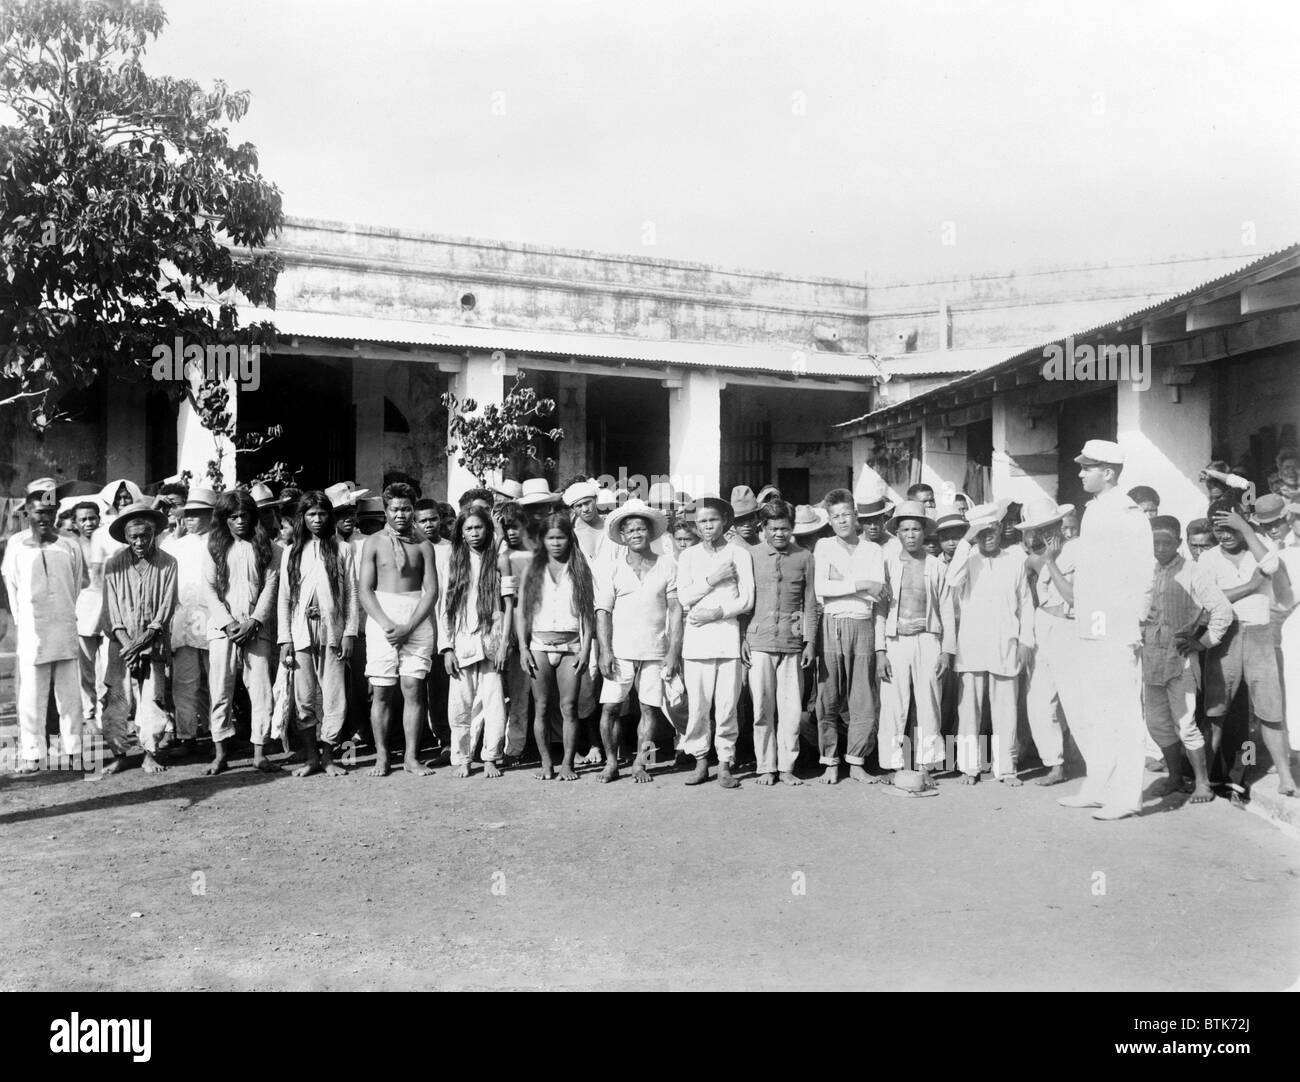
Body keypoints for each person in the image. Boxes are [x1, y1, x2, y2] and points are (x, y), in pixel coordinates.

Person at [1058, 440, 1155, 821]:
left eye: (1088, 467)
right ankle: (1098, 786)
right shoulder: (1095, 510)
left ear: (1109, 472)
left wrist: (1134, 623)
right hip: (1093, 621)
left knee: (1123, 712)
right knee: (1095, 710)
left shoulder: (1127, 512)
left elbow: (1142, 572)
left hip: (1116, 624)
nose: (1081, 473)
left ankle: (1128, 796)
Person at [1199, 499, 1296, 799]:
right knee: (1215, 709)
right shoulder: (1209, 558)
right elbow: (1209, 599)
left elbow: (1271, 565)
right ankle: (1204, 779)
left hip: (1260, 633)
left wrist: (1247, 530)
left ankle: (1286, 778)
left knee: (1268, 710)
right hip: (1225, 636)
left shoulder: (1261, 545)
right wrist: (1253, 587)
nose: (1225, 535)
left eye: (1231, 528)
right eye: (1219, 530)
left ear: (1244, 523)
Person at [1141, 515, 1233, 804]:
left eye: (1166, 542)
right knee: (1157, 723)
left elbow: (1222, 612)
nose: (1160, 547)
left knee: (1185, 723)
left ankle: (1203, 784)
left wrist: (1201, 643)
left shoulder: (1194, 572)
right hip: (1150, 659)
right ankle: (1174, 777)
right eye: (1155, 542)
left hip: (1179, 660)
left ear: (1178, 543)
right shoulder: (1147, 570)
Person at [945, 502, 1035, 786]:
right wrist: (966, 541)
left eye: (992, 530)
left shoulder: (1015, 559)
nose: (988, 536)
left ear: (999, 529)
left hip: (1006, 644)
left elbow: (1026, 603)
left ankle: (1006, 768)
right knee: (969, 711)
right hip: (972, 646)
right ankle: (969, 767)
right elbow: (951, 579)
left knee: (1006, 710)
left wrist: (1025, 640)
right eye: (981, 533)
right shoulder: (968, 559)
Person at [594, 499, 683, 783]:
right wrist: (605, 651)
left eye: (640, 529)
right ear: (622, 536)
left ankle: (641, 764)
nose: (635, 534)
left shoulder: (667, 565)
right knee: (610, 708)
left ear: (650, 533)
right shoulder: (612, 568)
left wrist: (673, 651)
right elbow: (602, 612)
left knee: (649, 707)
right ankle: (611, 763)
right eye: (630, 530)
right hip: (620, 651)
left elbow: (676, 610)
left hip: (655, 650)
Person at [2, 491, 87, 773]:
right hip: (31, 631)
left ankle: (74, 750)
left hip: (64, 627)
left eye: (50, 512)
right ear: (27, 513)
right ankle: (31, 754)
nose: (45, 518)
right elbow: (12, 587)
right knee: (31, 696)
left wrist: (63, 614)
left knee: (69, 694)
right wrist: (24, 622)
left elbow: (75, 584)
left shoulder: (68, 545)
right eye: (39, 512)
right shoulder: (16, 546)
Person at [200, 488, 282, 775]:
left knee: (261, 691)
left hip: (256, 629)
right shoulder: (214, 547)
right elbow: (209, 589)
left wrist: (255, 621)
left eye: (244, 515)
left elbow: (271, 586)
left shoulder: (268, 547)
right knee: (220, 691)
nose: (239, 522)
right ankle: (220, 753)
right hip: (223, 630)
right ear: (224, 519)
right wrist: (228, 622)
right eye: (233, 516)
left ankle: (260, 752)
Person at [358, 482, 438, 777]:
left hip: (414, 618)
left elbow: (431, 591)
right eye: (395, 509)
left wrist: (409, 626)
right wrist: (387, 624)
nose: (401, 515)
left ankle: (411, 757)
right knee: (381, 692)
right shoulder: (374, 542)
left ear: (413, 510)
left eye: (406, 509)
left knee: (413, 689)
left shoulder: (423, 545)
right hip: (383, 619)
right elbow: (365, 590)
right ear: (386, 510)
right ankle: (382, 756)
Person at [675, 493, 755, 788]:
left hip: (727, 638)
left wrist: (717, 612)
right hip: (696, 642)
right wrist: (714, 578)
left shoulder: (739, 554)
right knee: (697, 706)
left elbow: (747, 599)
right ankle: (699, 761)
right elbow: (684, 598)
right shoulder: (688, 556)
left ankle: (724, 764)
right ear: (695, 526)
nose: (707, 526)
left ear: (725, 521)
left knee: (726, 706)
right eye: (701, 522)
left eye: (713, 520)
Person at [278, 491, 358, 778]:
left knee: (334, 694)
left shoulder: (342, 549)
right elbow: (285, 599)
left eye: (322, 514)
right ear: (303, 517)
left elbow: (351, 593)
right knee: (304, 696)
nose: (317, 519)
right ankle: (311, 757)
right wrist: (285, 638)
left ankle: (329, 757)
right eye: (311, 514)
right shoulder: (292, 551)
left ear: (330, 516)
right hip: (301, 632)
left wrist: (349, 632)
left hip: (332, 631)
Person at [874, 500, 952, 785]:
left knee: (929, 702)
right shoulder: (889, 562)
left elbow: (946, 609)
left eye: (916, 529)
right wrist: (880, 650)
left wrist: (946, 650)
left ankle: (927, 766)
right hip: (895, 640)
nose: (910, 534)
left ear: (924, 532)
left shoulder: (935, 566)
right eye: (905, 529)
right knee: (894, 704)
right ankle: (894, 766)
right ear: (897, 532)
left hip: (928, 638)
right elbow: (880, 609)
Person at [813, 488, 888, 783]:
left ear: (856, 515)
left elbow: (877, 589)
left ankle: (856, 762)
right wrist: (860, 583)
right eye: (835, 516)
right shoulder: (823, 546)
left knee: (863, 697)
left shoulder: (873, 550)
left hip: (862, 625)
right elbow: (822, 589)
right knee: (828, 696)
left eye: (846, 514)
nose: (842, 520)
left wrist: (842, 582)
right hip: (831, 625)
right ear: (829, 520)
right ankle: (830, 761)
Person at [98, 501, 177, 777]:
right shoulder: (114, 565)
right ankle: (119, 754)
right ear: (126, 537)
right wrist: (127, 643)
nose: (140, 542)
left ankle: (150, 753)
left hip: (152, 642)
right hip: (121, 646)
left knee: (152, 699)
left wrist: (144, 640)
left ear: (153, 534)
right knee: (116, 700)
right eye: (134, 537)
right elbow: (111, 610)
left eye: (145, 536)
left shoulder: (168, 564)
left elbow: (166, 607)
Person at [515, 512, 594, 780]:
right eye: (551, 538)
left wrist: (586, 648)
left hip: (571, 646)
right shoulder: (533, 570)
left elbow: (586, 613)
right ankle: (546, 764)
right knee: (542, 706)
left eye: (561, 537)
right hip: (538, 644)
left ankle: (567, 764)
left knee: (569, 707)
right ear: (543, 540)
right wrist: (524, 648)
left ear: (569, 539)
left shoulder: (580, 569)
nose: (556, 543)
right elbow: (523, 612)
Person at [745, 500, 817, 786]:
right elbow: (744, 601)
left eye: (784, 528)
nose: (779, 534)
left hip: (791, 644)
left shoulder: (804, 557)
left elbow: (809, 602)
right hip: (759, 641)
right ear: (764, 528)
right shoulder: (750, 555)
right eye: (773, 528)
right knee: (761, 709)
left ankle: (787, 766)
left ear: (793, 528)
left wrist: (809, 640)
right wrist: (743, 637)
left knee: (789, 710)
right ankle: (765, 766)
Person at [438, 506, 513, 778]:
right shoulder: (454, 560)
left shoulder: (499, 560)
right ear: (460, 531)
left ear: (488, 529)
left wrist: (505, 642)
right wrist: (446, 648)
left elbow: (507, 605)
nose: (473, 533)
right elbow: (445, 607)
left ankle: (491, 756)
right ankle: (463, 757)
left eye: (478, 527)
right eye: (468, 528)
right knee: (460, 705)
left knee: (493, 704)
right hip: (463, 642)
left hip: (491, 640)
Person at [1019, 497, 1079, 786]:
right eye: (1035, 529)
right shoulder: (1031, 558)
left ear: (1059, 525)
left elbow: (1073, 597)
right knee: (1040, 699)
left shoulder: (1078, 550)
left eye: (1047, 527)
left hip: (1071, 628)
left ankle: (1087, 758)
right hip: (1043, 628)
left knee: (1074, 698)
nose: (1041, 534)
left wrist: (1052, 562)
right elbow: (1028, 600)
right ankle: (1054, 763)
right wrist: (1026, 639)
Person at [160, 488, 218, 756]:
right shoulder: (174, 547)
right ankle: (186, 736)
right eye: (188, 514)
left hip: (214, 619)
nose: (191, 519)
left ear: (211, 515)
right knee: (184, 682)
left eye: (198, 514)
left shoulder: (221, 543)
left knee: (217, 680)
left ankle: (218, 733)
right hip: (183, 622)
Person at [497, 500, 536, 764]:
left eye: (515, 527)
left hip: (535, 624)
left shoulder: (536, 553)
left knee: (526, 690)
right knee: (502, 691)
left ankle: (518, 746)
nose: (511, 532)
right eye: (505, 528)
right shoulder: (502, 556)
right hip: (505, 625)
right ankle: (500, 744)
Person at [416, 498, 453, 754]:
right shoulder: (411, 548)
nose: (429, 525)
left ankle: (446, 738)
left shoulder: (450, 549)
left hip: (443, 625)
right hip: (417, 626)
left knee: (442, 686)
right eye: (423, 520)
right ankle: (418, 740)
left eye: (433, 519)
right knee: (415, 686)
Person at [70, 498, 106, 725]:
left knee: (106, 667)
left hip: (107, 606)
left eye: (92, 518)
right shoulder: (71, 545)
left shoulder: (107, 541)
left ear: (99, 519)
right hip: (83, 607)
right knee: (85, 666)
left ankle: (105, 711)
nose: (88, 522)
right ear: (75, 523)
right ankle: (88, 709)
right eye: (83, 519)